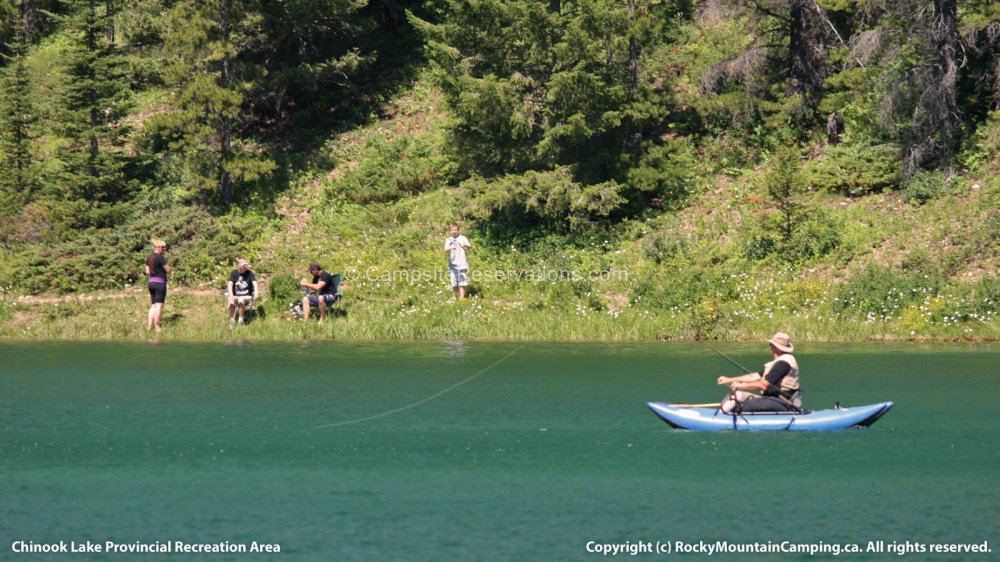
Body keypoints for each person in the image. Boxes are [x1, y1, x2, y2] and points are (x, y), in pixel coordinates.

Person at [717, 332, 801, 413]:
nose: (770, 348)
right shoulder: (778, 362)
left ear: (776, 348)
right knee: (735, 395)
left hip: (781, 402)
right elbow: (756, 376)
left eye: (771, 345)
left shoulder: (783, 364)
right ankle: (721, 414)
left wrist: (741, 385)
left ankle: (722, 416)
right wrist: (729, 380)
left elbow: (762, 385)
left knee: (742, 405)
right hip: (769, 399)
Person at [145, 238, 172, 333]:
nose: (164, 249)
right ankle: (157, 326)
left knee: (153, 306)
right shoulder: (160, 257)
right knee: (159, 306)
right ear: (158, 247)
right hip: (160, 283)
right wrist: (169, 267)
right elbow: (167, 270)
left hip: (151, 282)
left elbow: (147, 271)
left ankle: (149, 327)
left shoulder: (149, 257)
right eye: (163, 247)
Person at [227, 258, 259, 328]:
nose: (246, 266)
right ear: (239, 264)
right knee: (231, 300)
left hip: (247, 296)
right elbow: (230, 284)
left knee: (241, 299)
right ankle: (232, 320)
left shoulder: (250, 273)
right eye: (244, 264)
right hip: (236, 296)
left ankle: (241, 319)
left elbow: (255, 283)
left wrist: (256, 293)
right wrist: (231, 295)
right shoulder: (234, 273)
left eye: (247, 264)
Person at [443, 223, 472, 299]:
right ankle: (455, 297)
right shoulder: (448, 239)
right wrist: (450, 247)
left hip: (462, 263)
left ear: (458, 230)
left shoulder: (463, 238)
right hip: (452, 264)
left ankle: (462, 298)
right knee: (454, 282)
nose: (454, 231)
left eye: (455, 230)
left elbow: (470, 246)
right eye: (452, 230)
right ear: (450, 231)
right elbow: (445, 250)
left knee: (462, 282)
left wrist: (464, 245)